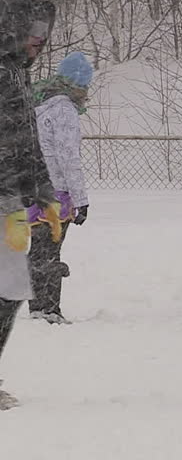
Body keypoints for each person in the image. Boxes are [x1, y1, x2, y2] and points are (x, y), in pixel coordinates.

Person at [0, 0, 58, 409]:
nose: (40, 39)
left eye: (45, 31)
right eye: (32, 30)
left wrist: (43, 192)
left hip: (10, 202)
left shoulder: (17, 73)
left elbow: (26, 141)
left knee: (13, 288)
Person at [26, 52, 93, 325]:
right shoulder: (64, 111)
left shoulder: (39, 107)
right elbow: (68, 158)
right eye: (86, 86)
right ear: (77, 84)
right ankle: (50, 310)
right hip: (55, 193)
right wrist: (81, 199)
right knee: (50, 251)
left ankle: (37, 307)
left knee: (39, 250)